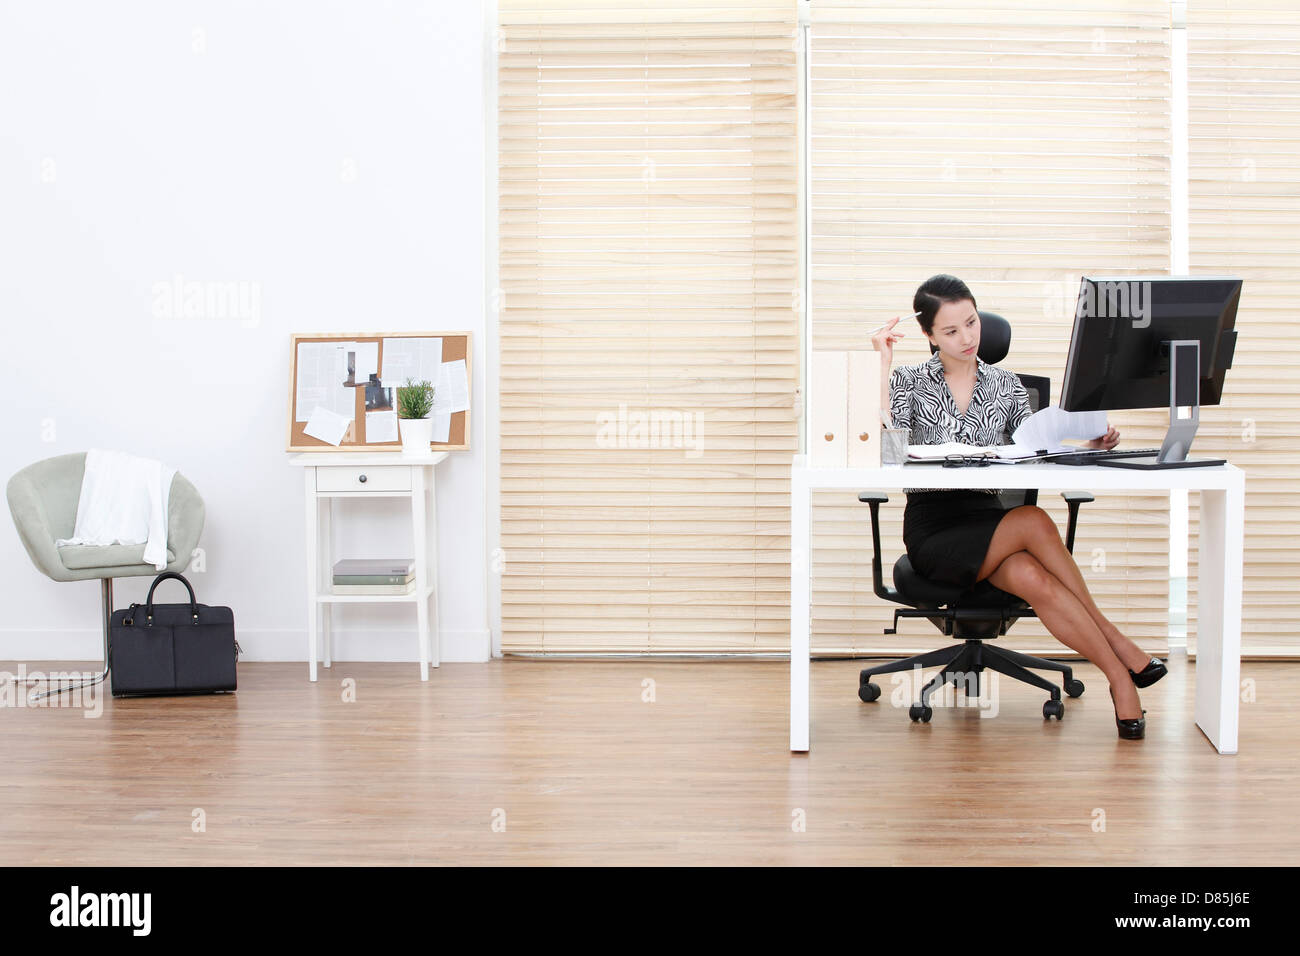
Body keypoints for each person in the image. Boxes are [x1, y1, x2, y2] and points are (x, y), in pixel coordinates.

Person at [874, 274, 1166, 739]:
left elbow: (1035, 451)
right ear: (929, 334)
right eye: (951, 330)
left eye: (972, 323)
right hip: (935, 528)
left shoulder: (1006, 385)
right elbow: (889, 455)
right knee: (1031, 518)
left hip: (989, 519)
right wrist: (883, 363)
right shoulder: (908, 381)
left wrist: (1087, 445)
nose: (967, 337)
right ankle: (1120, 643)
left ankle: (1119, 680)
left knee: (1033, 576)